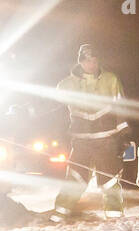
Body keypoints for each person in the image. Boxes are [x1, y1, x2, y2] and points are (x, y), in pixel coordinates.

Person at [54, 44, 130, 213]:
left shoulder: (111, 79)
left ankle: (114, 215)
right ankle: (61, 213)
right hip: (81, 141)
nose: (91, 64)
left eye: (94, 60)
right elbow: (52, 106)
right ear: (80, 62)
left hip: (107, 139)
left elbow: (121, 107)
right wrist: (29, 110)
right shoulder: (67, 84)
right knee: (75, 177)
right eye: (87, 61)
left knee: (110, 180)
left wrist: (124, 136)